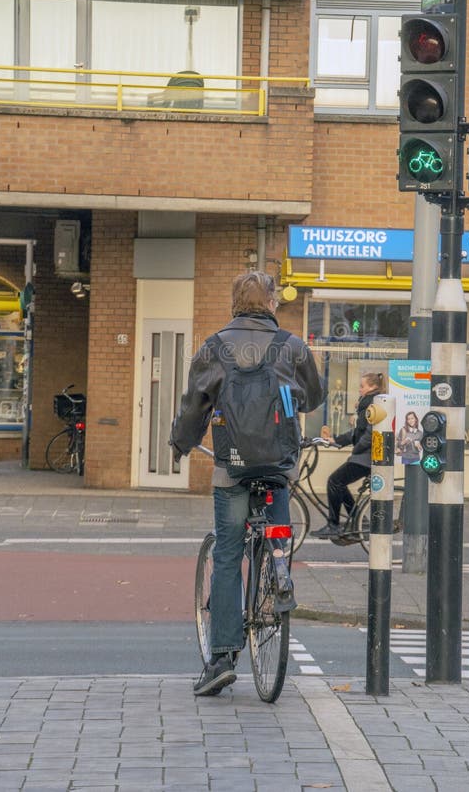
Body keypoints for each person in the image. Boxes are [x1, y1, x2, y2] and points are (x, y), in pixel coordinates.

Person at [170, 271, 325, 696]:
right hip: (277, 468)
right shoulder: (292, 347)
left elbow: (194, 407)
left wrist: (181, 443)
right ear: (272, 302)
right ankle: (279, 573)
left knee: (227, 555)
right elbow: (314, 397)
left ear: (235, 302)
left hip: (232, 470)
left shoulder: (214, 347)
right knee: (277, 535)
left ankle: (221, 659)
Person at [311, 371, 386, 540]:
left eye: (362, 386)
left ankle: (333, 525)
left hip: (365, 457)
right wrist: (336, 440)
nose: (359, 389)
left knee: (334, 481)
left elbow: (369, 434)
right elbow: (356, 432)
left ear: (373, 387)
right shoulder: (366, 403)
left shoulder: (372, 404)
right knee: (339, 483)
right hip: (364, 456)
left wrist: (356, 449)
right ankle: (360, 521)